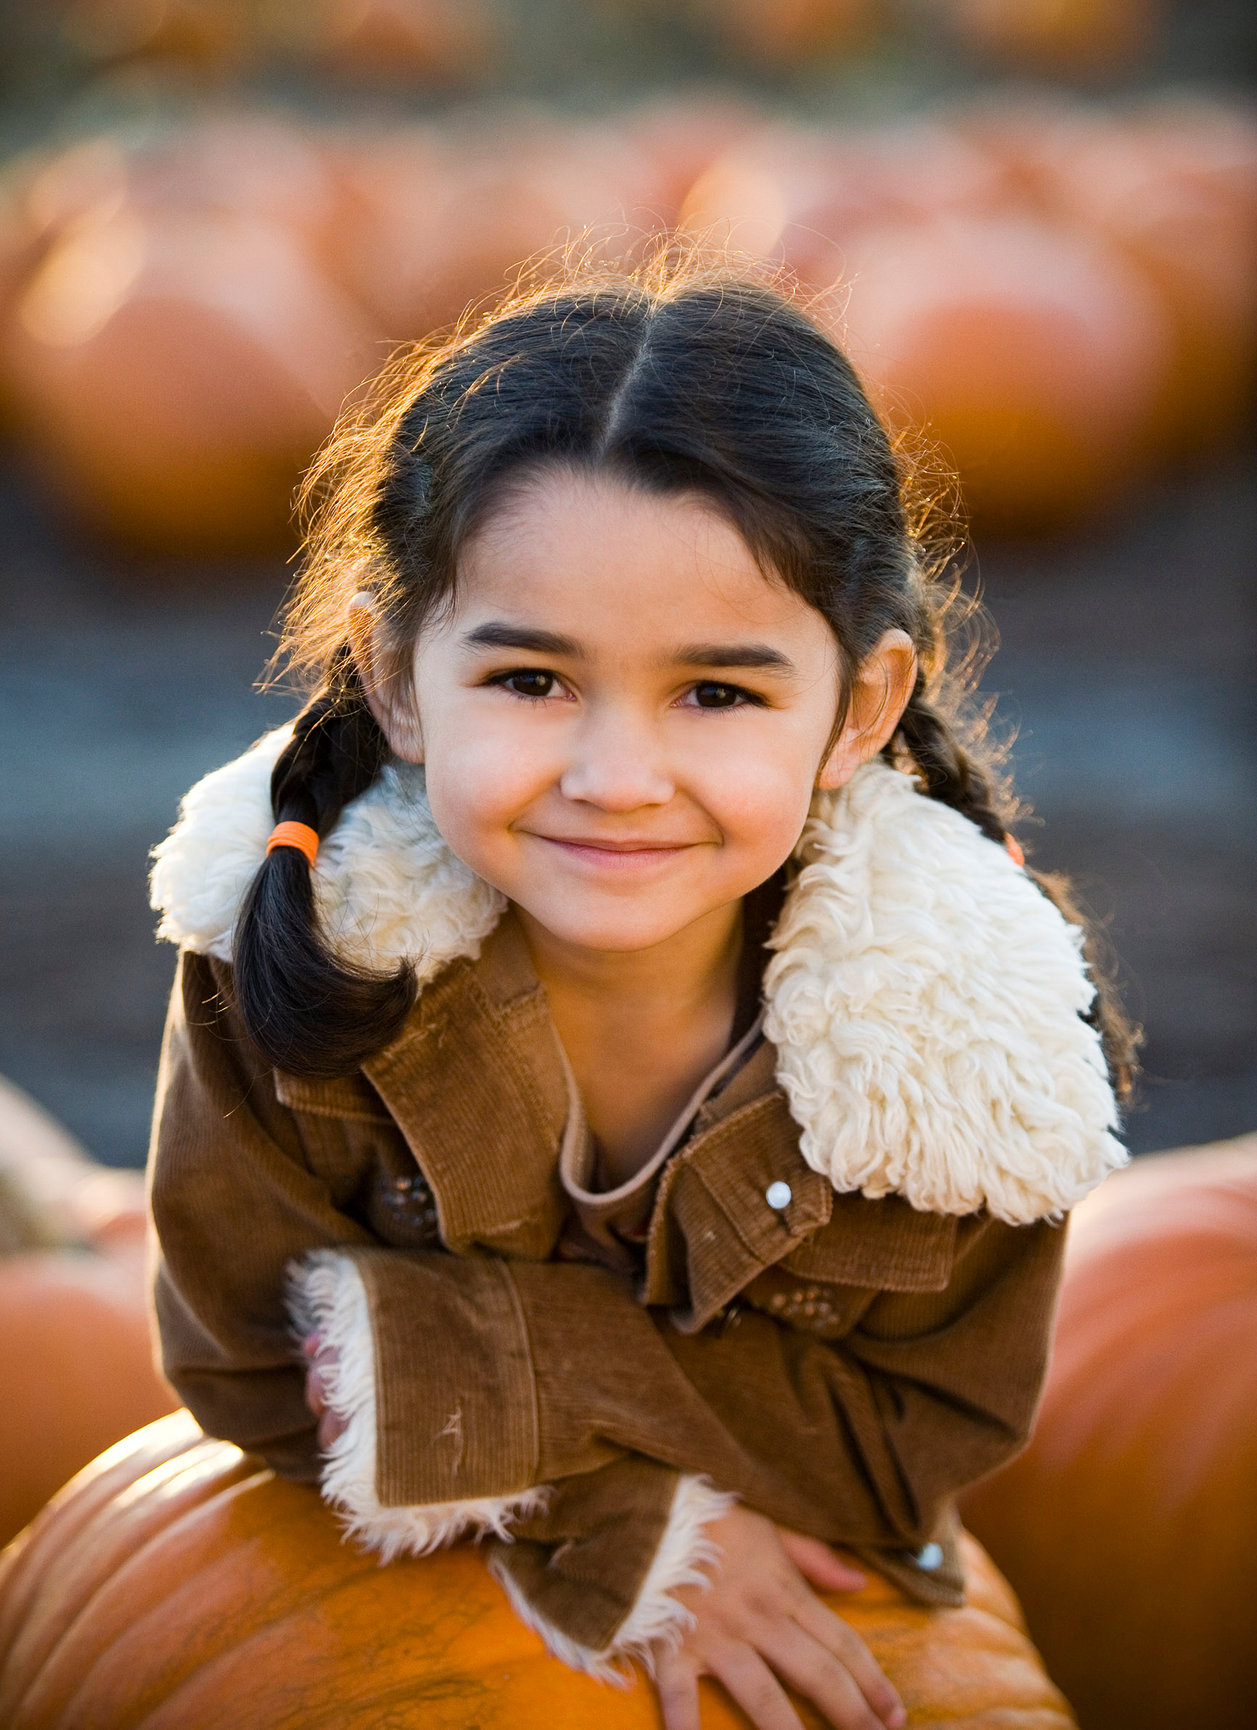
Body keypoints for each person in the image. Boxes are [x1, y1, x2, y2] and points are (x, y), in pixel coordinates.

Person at [146, 250, 1135, 1730]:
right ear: (398, 677)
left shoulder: (956, 1045)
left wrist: (481, 1356)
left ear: (856, 707)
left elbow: (902, 1446)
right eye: (532, 681)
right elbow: (241, 1360)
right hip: (350, 1596)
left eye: (717, 694)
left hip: (826, 1603)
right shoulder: (288, 950)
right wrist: (624, 1517)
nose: (616, 780)